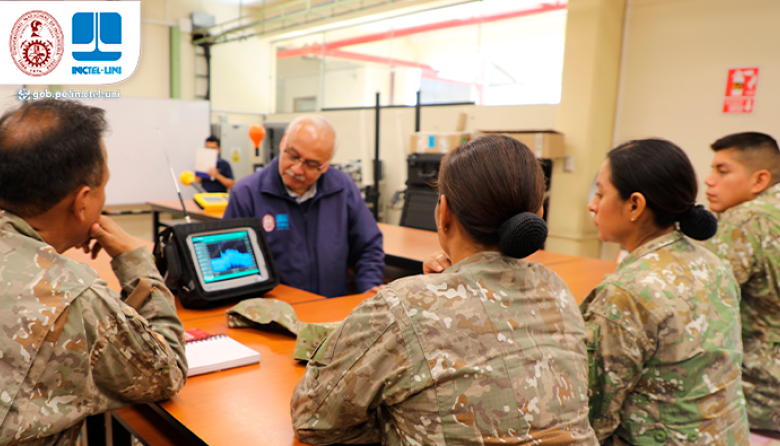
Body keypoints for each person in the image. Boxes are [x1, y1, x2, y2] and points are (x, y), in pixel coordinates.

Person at [291, 135, 598, 445]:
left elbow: (313, 418)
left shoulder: (403, 305)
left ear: (444, 213)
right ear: (539, 214)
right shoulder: (557, 290)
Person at [0, 99, 187, 445]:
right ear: (82, 201)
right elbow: (167, 371)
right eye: (104, 185)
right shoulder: (72, 297)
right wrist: (136, 262)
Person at [582, 139, 749, 445]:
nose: (592, 205)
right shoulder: (713, 264)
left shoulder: (626, 293)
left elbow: (594, 415)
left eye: (601, 193)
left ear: (635, 204)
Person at [223, 115, 384, 298]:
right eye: (293, 155)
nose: (297, 169)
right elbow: (233, 265)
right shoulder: (247, 193)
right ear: (284, 141)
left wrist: (369, 288)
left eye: (310, 164)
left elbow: (368, 245)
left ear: (325, 166)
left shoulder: (342, 188)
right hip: (272, 314)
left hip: (330, 308)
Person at [704, 132, 780, 432]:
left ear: (760, 180)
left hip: (758, 396)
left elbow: (707, 305)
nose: (709, 180)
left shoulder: (746, 219)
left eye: (722, 171)